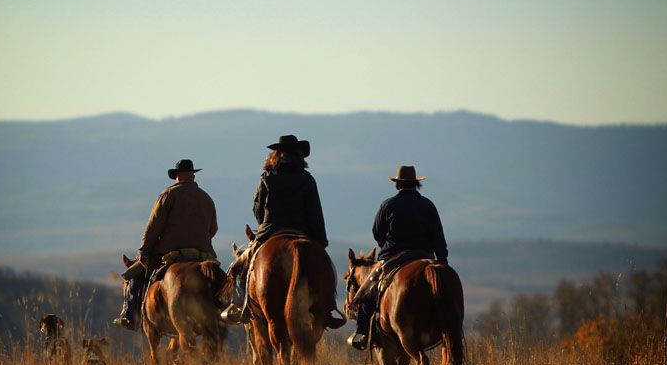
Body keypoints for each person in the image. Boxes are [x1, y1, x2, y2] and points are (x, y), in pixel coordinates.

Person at [221, 134, 345, 328]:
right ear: (299, 155)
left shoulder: (267, 178)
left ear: (276, 155)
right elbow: (315, 212)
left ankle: (242, 305)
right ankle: (328, 306)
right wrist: (321, 241)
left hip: (271, 230)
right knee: (327, 267)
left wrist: (263, 226)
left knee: (242, 267)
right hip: (303, 231)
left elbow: (257, 208)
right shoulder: (307, 179)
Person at [347, 165, 448, 349]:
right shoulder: (428, 205)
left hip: (393, 257)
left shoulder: (388, 205)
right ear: (416, 183)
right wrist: (442, 262)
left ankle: (362, 333)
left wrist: (386, 247)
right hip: (425, 255)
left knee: (368, 291)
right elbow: (438, 237)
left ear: (397, 184)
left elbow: (377, 233)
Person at [114, 159, 218, 330]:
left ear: (177, 176)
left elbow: (154, 226)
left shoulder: (168, 195)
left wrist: (144, 251)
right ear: (193, 175)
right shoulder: (207, 198)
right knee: (222, 283)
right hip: (203, 255)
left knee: (132, 276)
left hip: (170, 254)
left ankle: (130, 316)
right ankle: (225, 311)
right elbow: (213, 229)